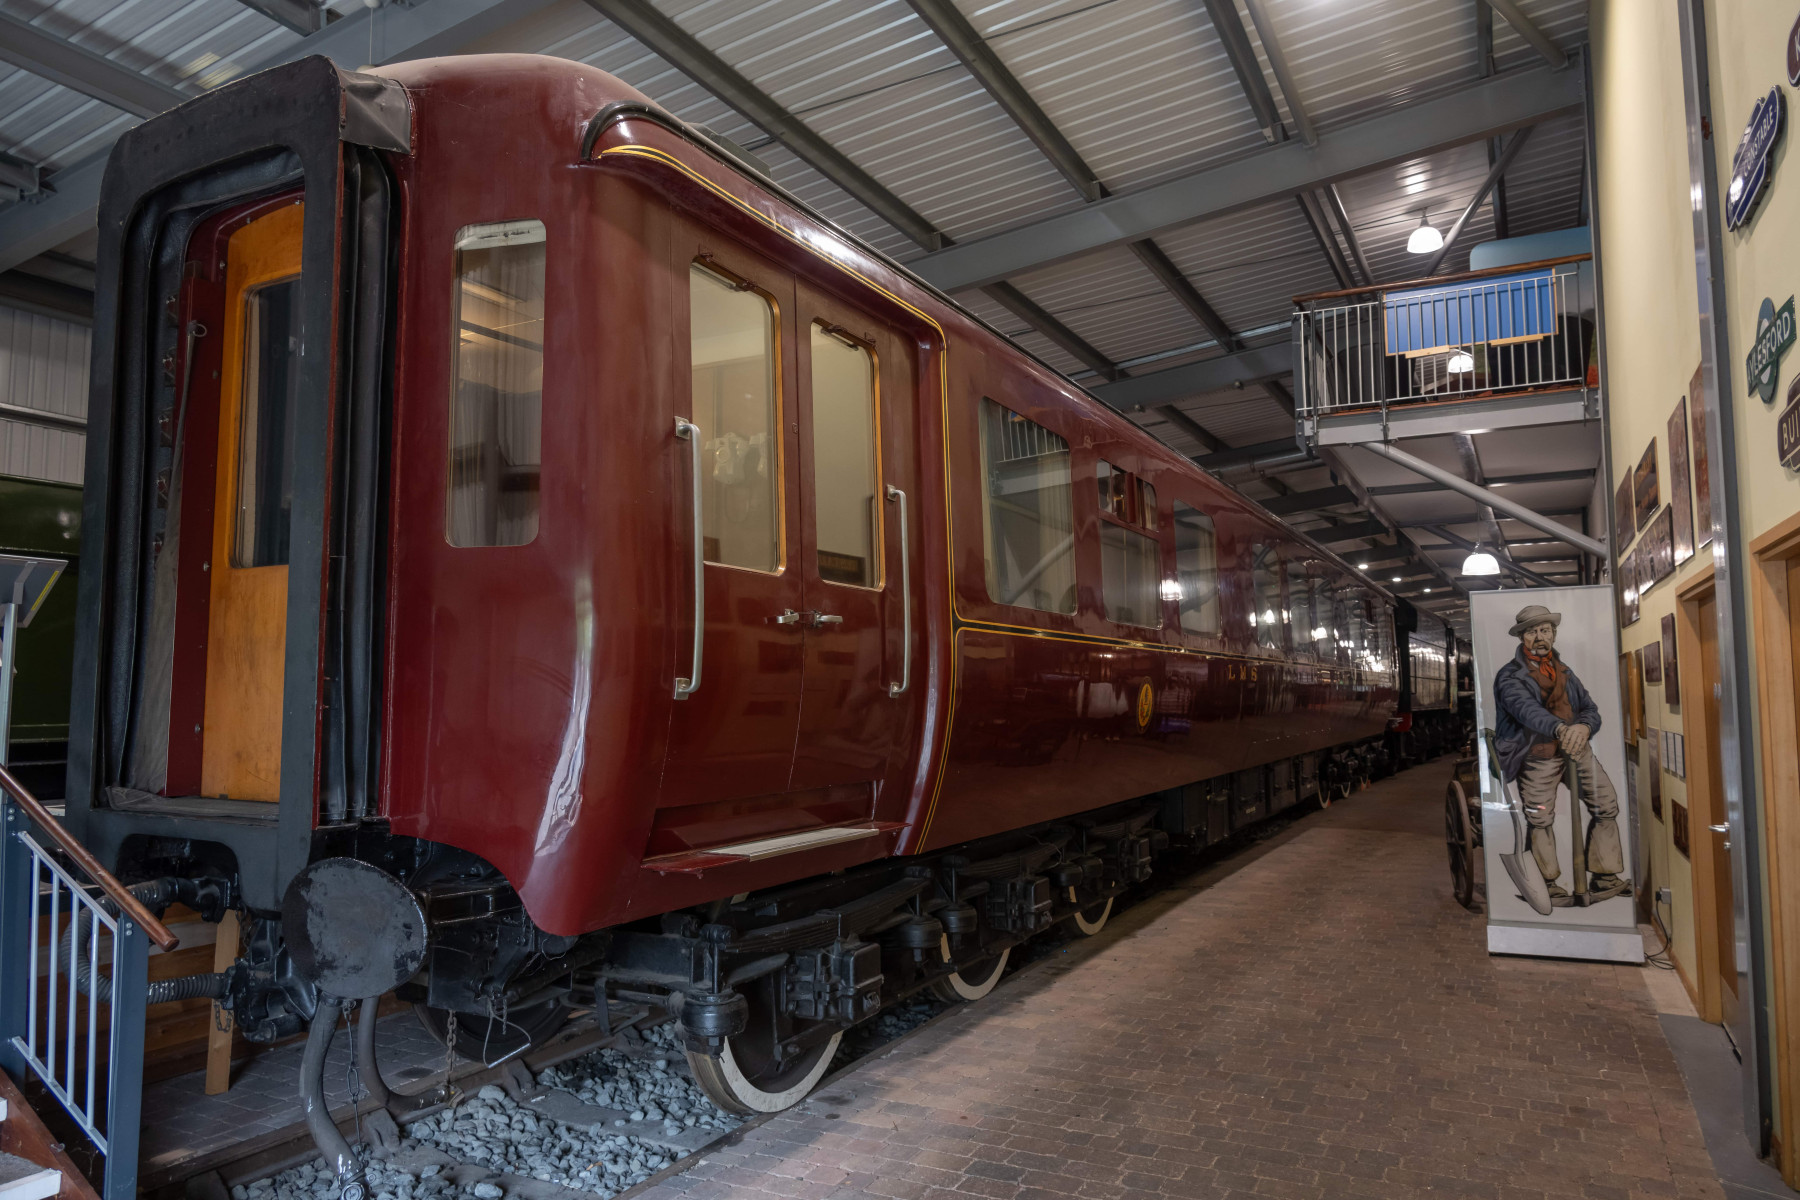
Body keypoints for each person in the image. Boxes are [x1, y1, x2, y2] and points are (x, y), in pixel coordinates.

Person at [1492, 604, 1628, 900]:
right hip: (1536, 755)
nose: (1539, 637)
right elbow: (1526, 711)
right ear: (1522, 638)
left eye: (1544, 630)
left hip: (1575, 750)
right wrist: (1562, 729)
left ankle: (1604, 875)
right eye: (1532, 631)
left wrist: (1583, 729)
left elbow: (1590, 709)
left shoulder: (1565, 671)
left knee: (1606, 804)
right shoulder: (1510, 676)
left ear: (1553, 634)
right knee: (1540, 817)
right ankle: (1546, 881)